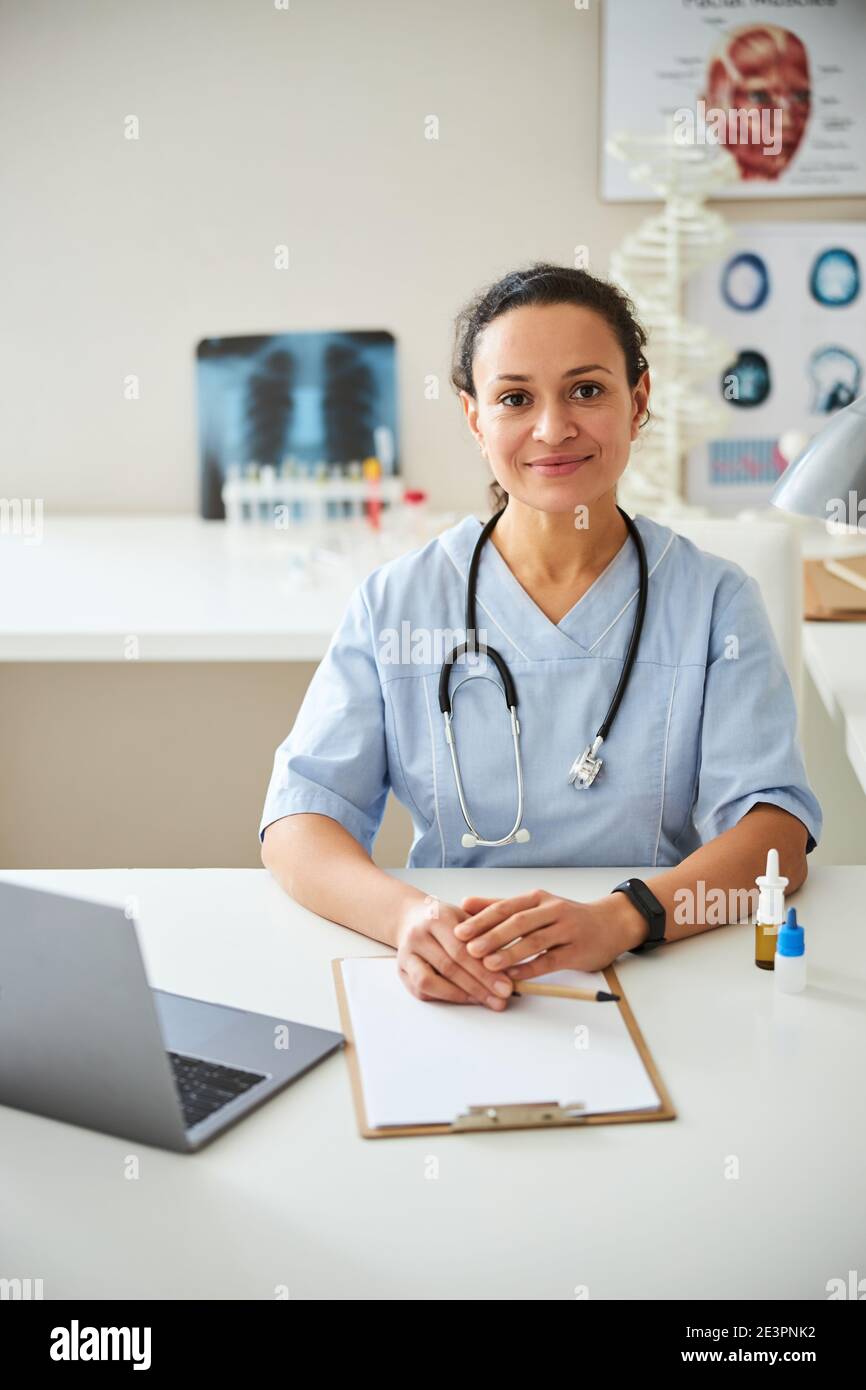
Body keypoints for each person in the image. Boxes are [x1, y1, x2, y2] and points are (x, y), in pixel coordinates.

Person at [260, 263, 822, 1010]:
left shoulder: (717, 602)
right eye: (515, 398)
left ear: (638, 399)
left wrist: (624, 919)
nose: (553, 428)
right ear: (474, 417)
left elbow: (775, 835)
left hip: (659, 972)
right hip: (457, 969)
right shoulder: (399, 601)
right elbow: (300, 821)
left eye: (587, 390)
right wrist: (409, 920)